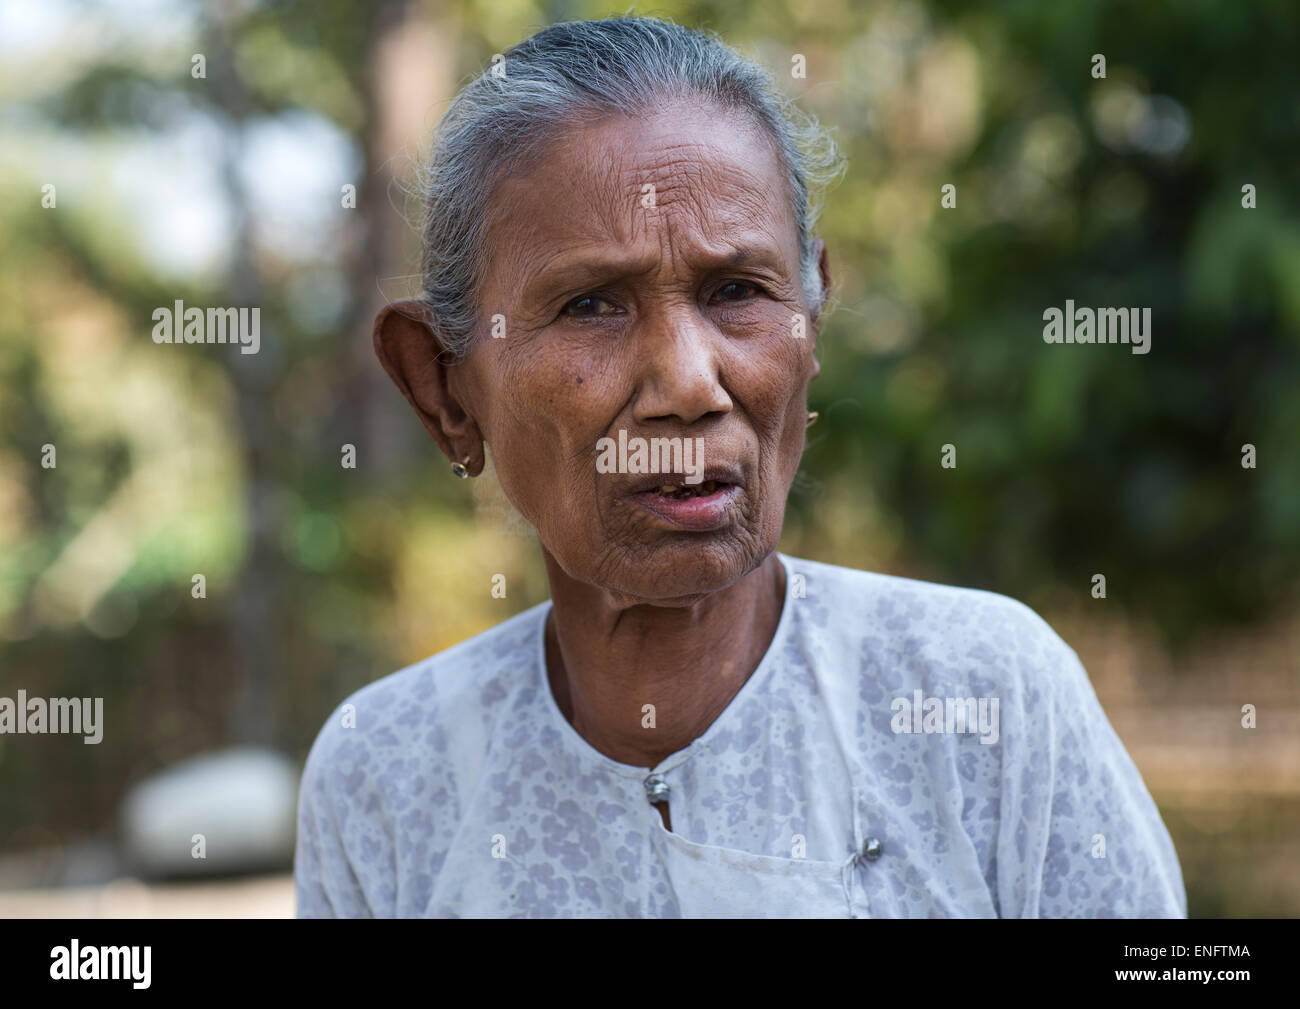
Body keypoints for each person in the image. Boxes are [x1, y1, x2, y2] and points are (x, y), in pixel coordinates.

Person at [294, 15, 1185, 918]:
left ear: (810, 319)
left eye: (737, 292)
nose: (690, 382)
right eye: (591, 305)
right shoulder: (388, 773)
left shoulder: (983, 696)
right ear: (444, 388)